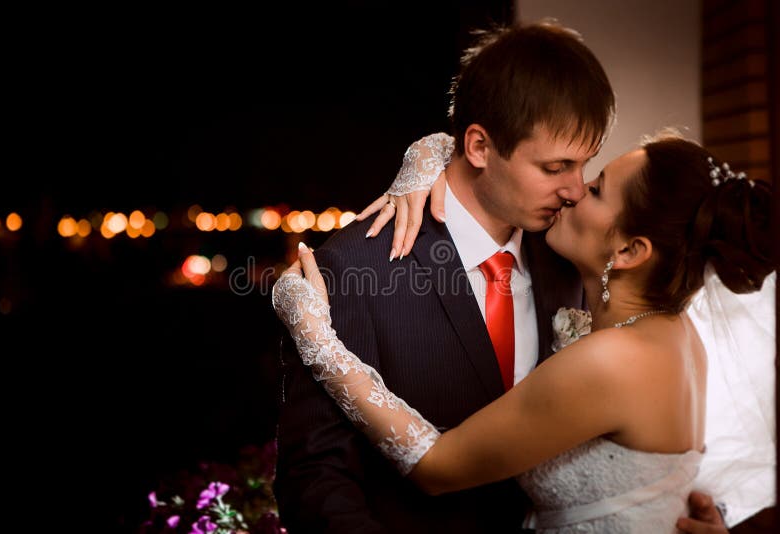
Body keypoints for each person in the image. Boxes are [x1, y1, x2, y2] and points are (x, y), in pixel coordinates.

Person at [272, 130, 774, 532]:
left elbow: (436, 466)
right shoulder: (674, 331)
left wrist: (317, 340)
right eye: (568, 171)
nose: (575, 190)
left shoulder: (613, 359)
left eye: (596, 189)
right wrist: (433, 150)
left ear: (628, 251)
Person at [272, 20, 615, 532]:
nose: (574, 189)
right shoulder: (354, 268)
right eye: (555, 167)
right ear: (478, 147)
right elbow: (315, 477)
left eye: (584, 165)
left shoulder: (572, 255)